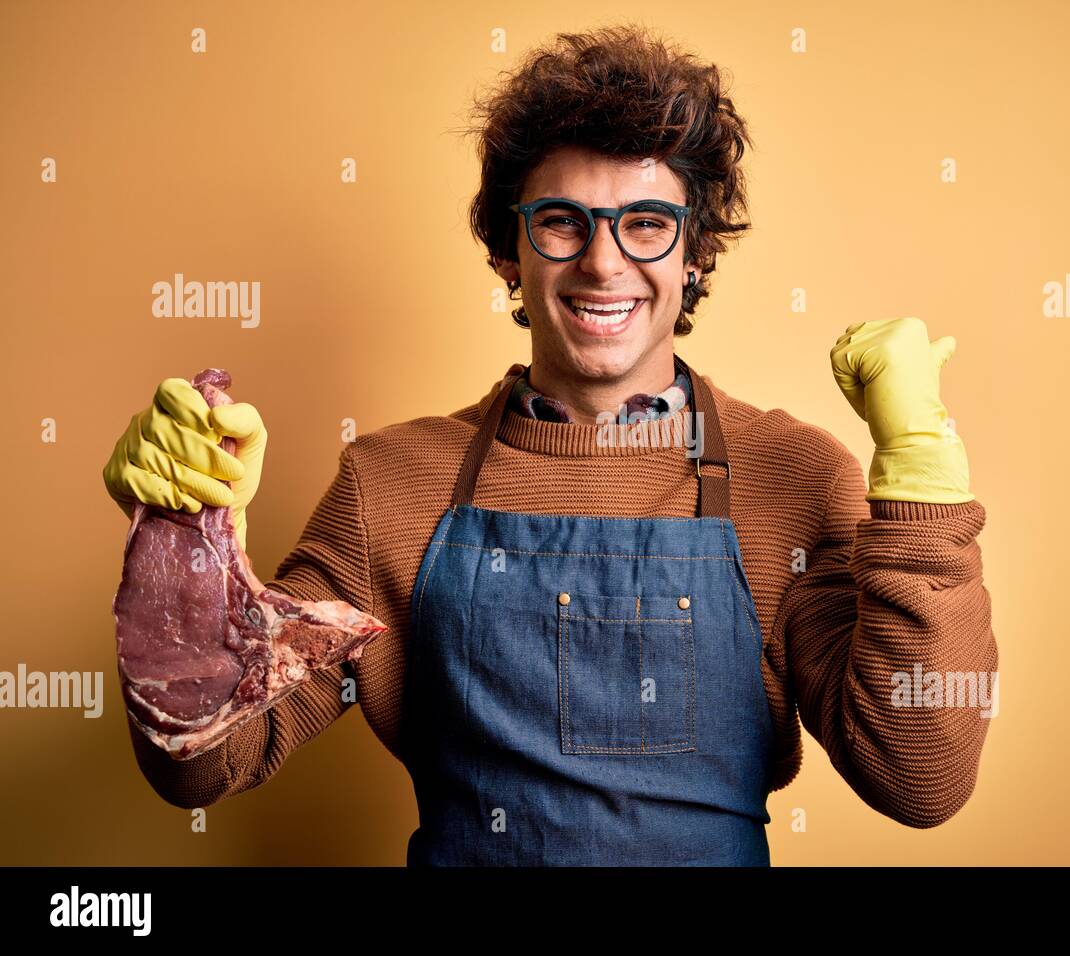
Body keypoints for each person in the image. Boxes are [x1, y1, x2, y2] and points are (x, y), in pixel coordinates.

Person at [102, 24, 997, 866]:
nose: (604, 263)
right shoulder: (392, 484)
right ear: (508, 251)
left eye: (647, 222)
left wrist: (921, 468)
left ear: (694, 254)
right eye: (562, 221)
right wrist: (184, 543)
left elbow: (919, 780)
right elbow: (205, 766)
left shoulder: (791, 477)